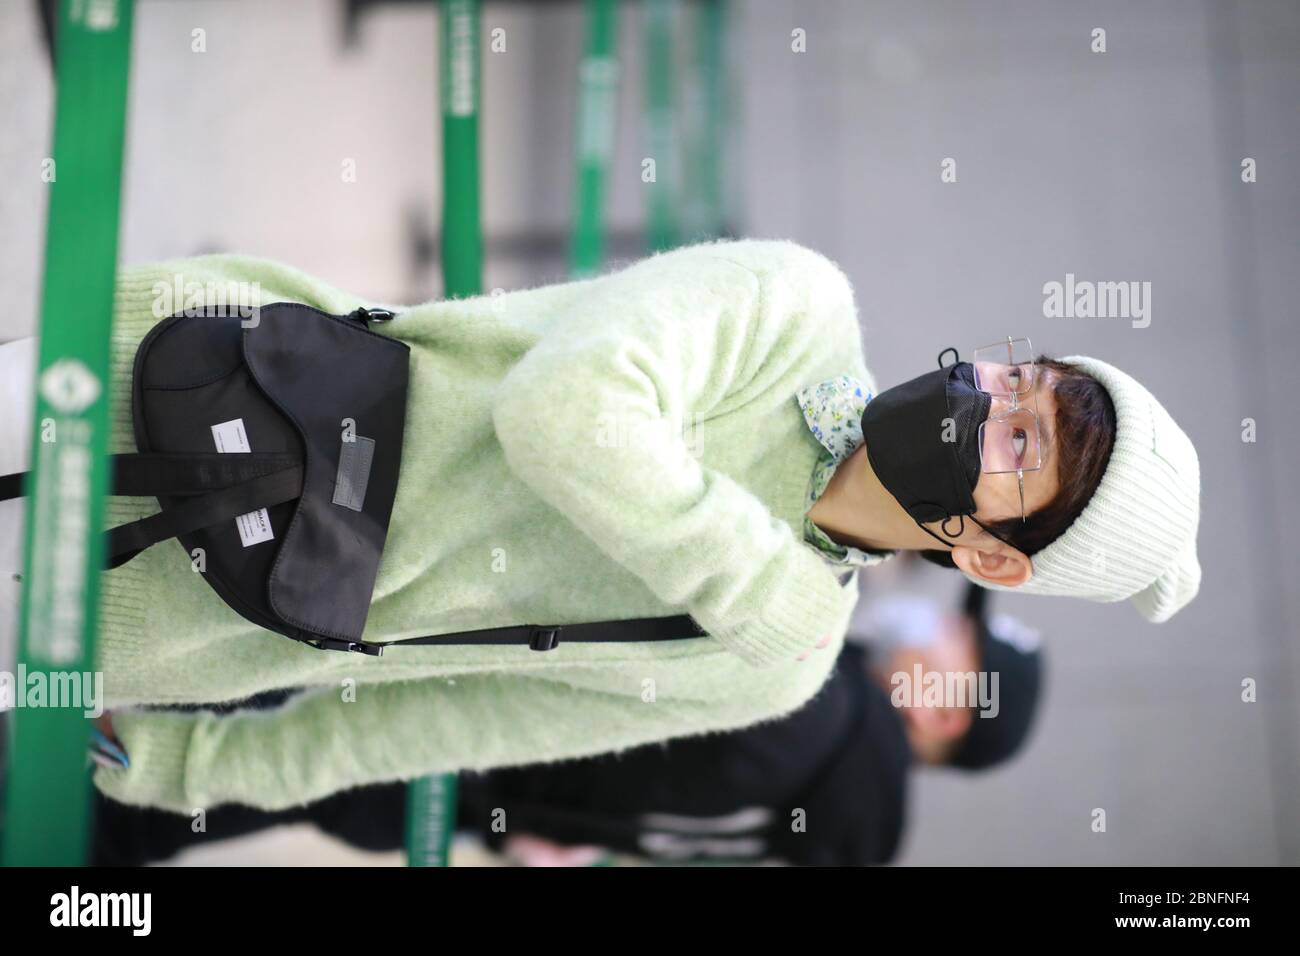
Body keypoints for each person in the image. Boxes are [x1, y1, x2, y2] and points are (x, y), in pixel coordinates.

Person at [0, 238, 1200, 815]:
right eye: (1017, 377)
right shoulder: (798, 310)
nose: (986, 396)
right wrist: (764, 585)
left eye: (1021, 441)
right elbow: (562, 409)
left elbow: (449, 718)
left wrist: (181, 764)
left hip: (168, 620)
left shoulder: (768, 670)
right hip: (164, 387)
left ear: (991, 555)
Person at [83, 577, 1044, 867]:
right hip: (452, 800)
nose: (930, 630)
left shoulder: (811, 699)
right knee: (163, 809)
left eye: (958, 643)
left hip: (427, 728)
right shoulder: (841, 827)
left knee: (182, 745)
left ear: (954, 716)